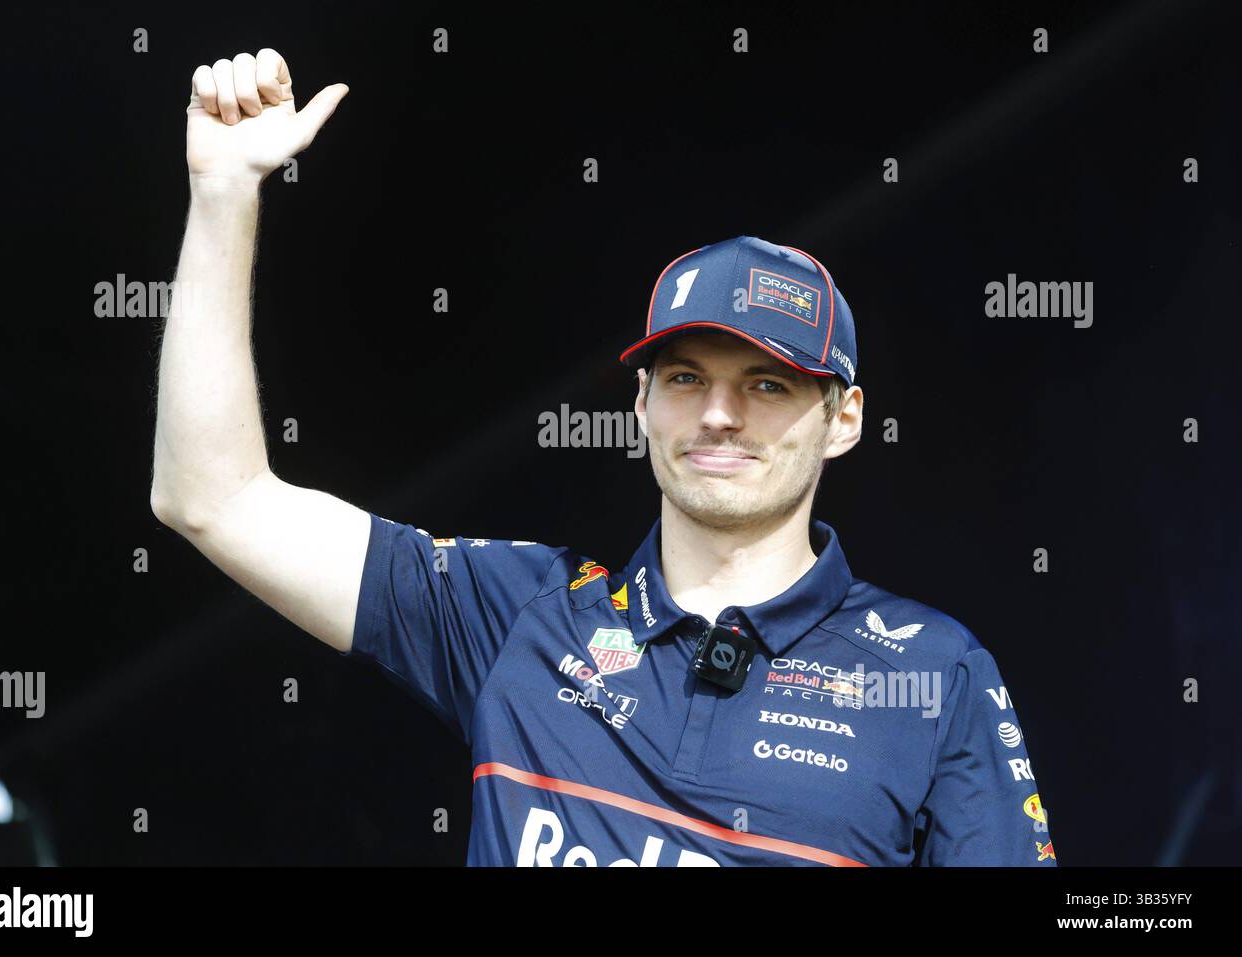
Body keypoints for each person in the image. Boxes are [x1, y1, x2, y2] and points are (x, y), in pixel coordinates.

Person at [152, 49, 1057, 867]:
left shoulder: (931, 674)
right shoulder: (523, 615)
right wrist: (224, 194)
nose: (718, 414)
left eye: (770, 385)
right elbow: (214, 496)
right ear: (641, 404)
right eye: (685, 376)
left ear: (845, 418)